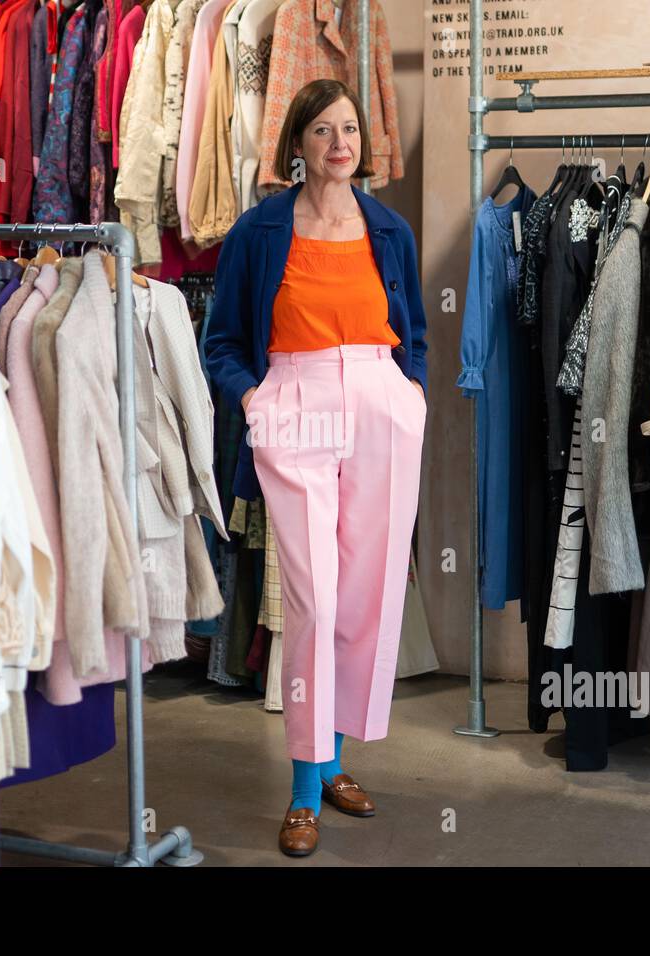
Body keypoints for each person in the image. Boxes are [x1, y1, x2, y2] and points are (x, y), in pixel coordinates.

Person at [204, 78, 428, 857]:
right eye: (324, 131)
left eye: (351, 130)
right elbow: (222, 341)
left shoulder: (390, 230)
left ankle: (335, 760)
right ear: (296, 145)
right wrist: (255, 401)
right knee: (312, 597)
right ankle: (303, 789)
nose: (342, 144)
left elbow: (416, 333)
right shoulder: (260, 231)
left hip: (378, 399)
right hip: (293, 402)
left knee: (365, 594)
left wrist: (410, 395)